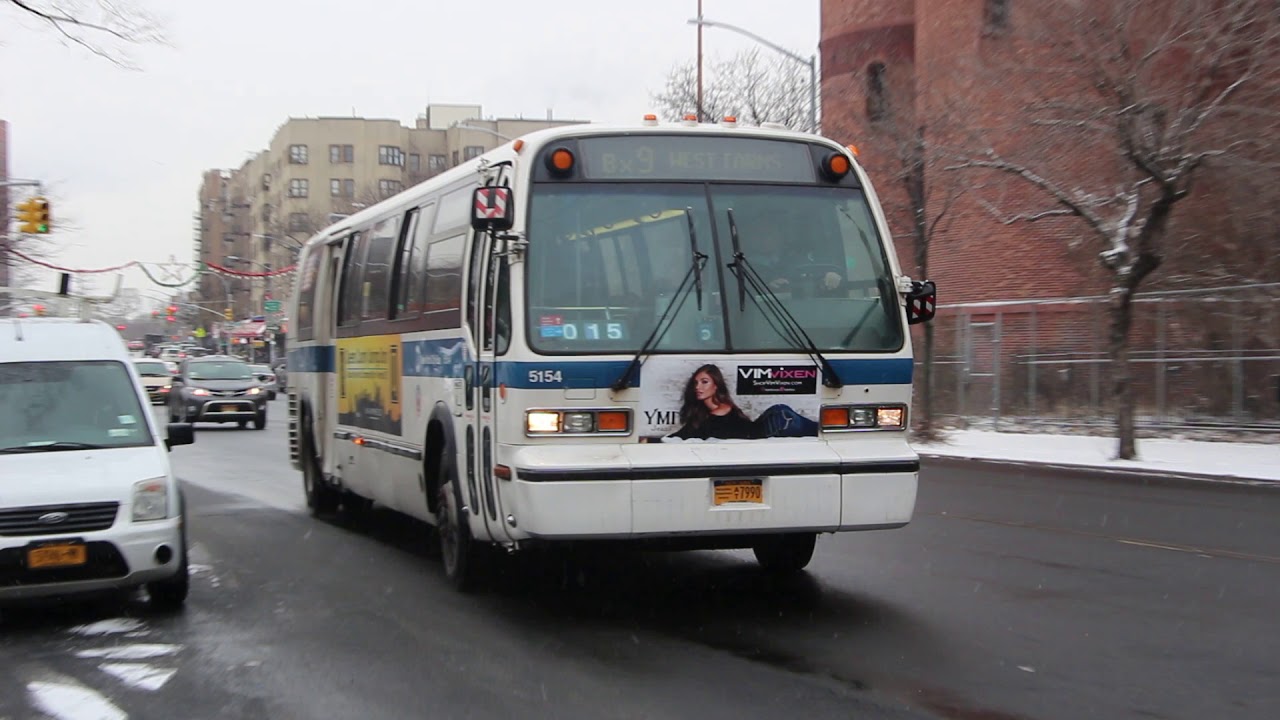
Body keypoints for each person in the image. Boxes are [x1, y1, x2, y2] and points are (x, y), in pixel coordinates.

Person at [665, 364, 821, 441]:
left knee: (818, 431)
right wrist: (649, 441)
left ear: (716, 385)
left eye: (704, 382)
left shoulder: (721, 410)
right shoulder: (704, 416)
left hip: (775, 422)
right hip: (770, 425)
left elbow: (682, 436)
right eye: (695, 383)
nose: (698, 387)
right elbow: (680, 436)